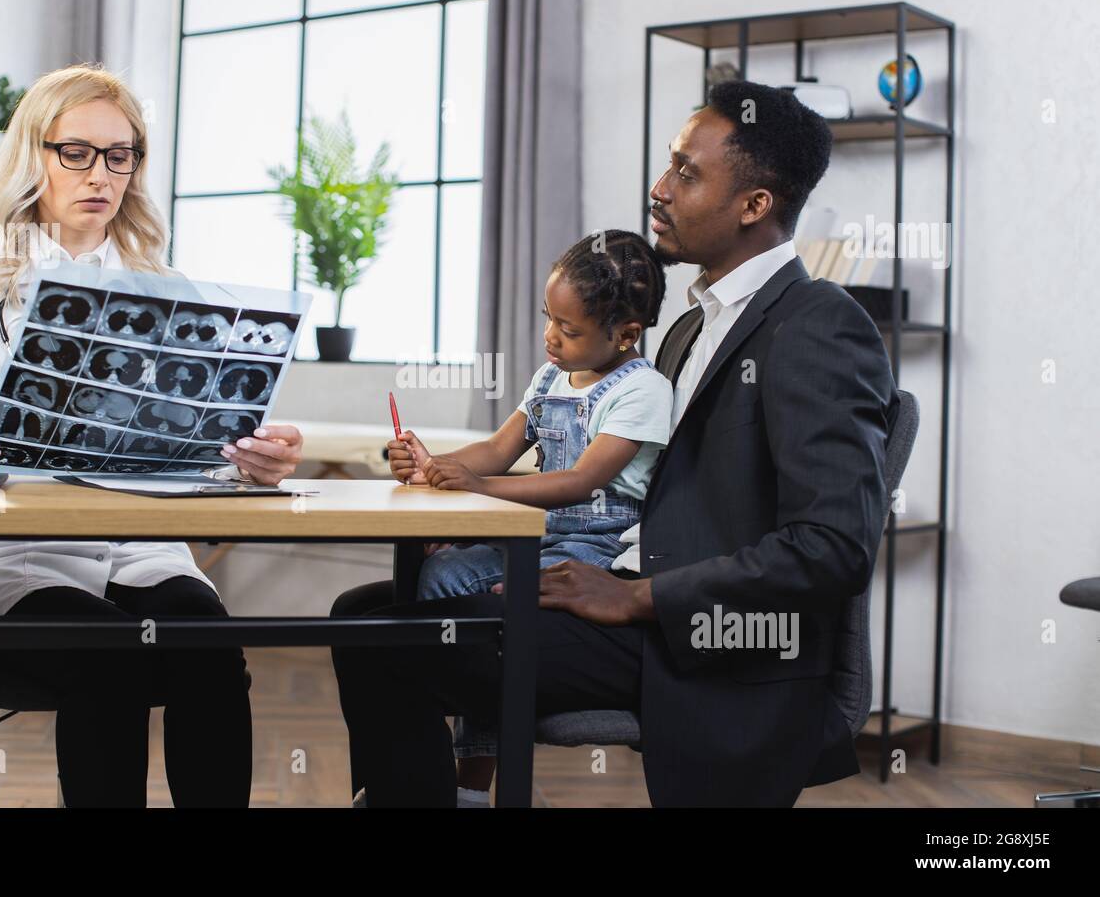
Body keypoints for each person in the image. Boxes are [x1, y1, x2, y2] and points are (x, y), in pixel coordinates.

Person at [331, 80, 900, 806]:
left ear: (755, 204)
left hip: (699, 641)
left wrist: (639, 597)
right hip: (616, 586)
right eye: (669, 165)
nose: (659, 189)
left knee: (392, 643)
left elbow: (833, 547)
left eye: (687, 174)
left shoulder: (819, 325)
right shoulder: (691, 327)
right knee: (358, 611)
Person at [0, 63, 304, 807]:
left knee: (210, 650)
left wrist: (252, 459)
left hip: (137, 545)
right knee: (113, 654)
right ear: (35, 154)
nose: (102, 174)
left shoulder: (169, 290)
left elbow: (194, 452)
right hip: (4, 556)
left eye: (121, 155)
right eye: (78, 152)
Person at [386, 229, 672, 804]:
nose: (550, 338)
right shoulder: (548, 380)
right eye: (549, 319)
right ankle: (447, 736)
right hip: (533, 536)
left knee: (492, 611)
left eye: (568, 330)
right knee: (441, 578)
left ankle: (472, 777)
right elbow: (496, 450)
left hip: (595, 551)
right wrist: (431, 465)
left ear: (626, 334)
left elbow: (581, 481)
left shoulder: (643, 391)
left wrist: (479, 486)